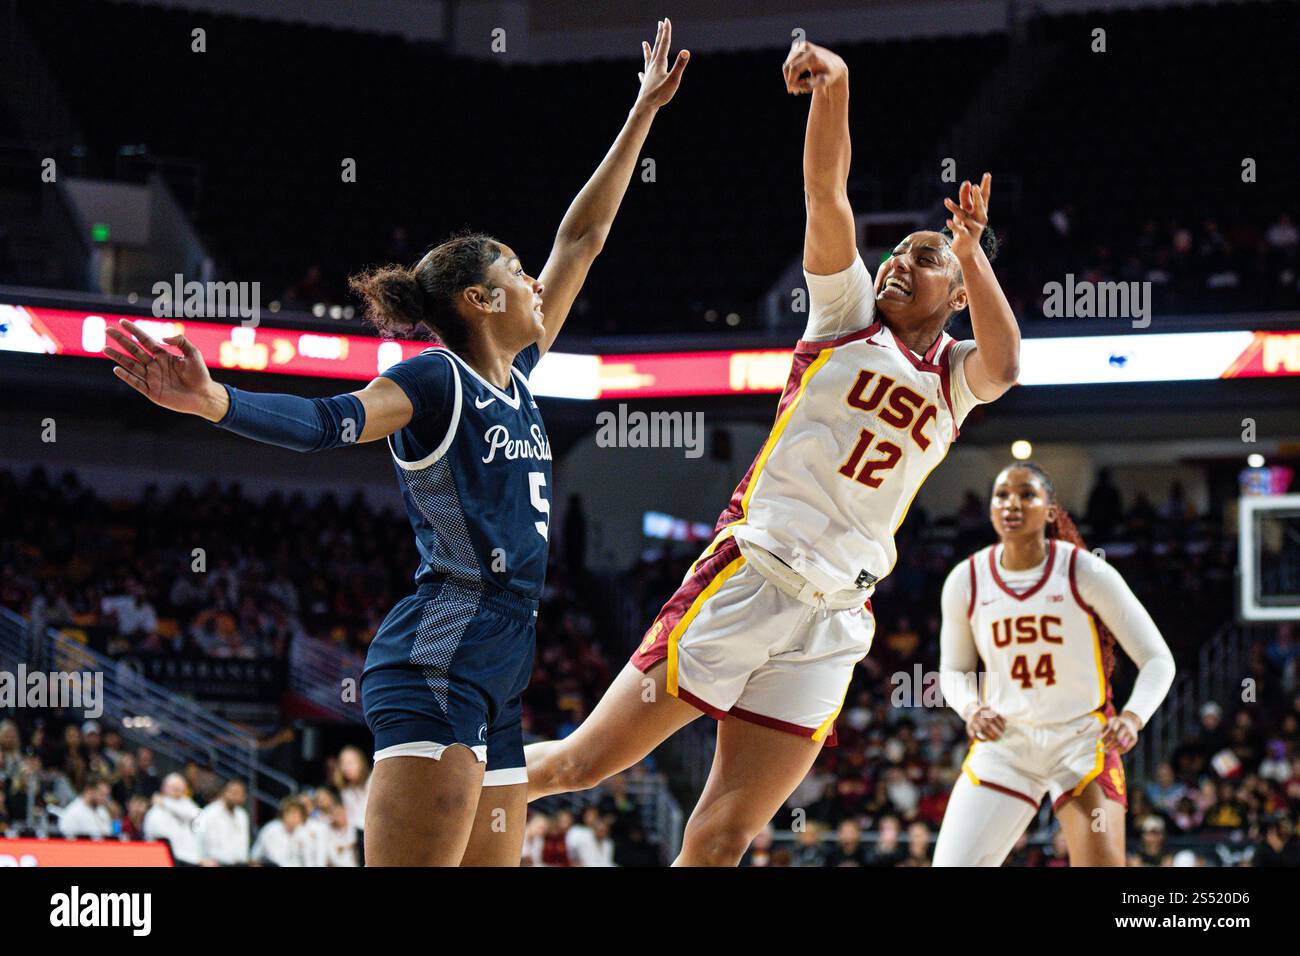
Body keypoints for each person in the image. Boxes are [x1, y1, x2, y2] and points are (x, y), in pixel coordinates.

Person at [102, 19, 689, 866]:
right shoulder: (433, 380)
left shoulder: (516, 371)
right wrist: (213, 400)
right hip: (438, 654)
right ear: (481, 302)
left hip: (504, 664)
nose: (536, 281)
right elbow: (322, 423)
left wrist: (642, 112)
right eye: (516, 273)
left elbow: (583, 240)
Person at [523, 38, 1021, 866]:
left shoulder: (956, 376)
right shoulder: (846, 314)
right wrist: (838, 87)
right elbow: (825, 192)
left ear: (962, 290)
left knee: (722, 834)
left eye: (923, 258)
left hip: (833, 620)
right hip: (750, 573)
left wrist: (968, 248)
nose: (898, 263)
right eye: (896, 253)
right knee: (581, 763)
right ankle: (441, 812)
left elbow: (1008, 365)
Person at [933, 462, 1177, 866]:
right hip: (1007, 743)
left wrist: (1133, 717)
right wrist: (970, 707)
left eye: (1026, 494)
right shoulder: (966, 579)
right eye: (1001, 495)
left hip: (1082, 741)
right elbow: (955, 670)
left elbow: (1157, 658)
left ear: (1050, 510)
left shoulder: (1085, 570)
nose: (1012, 503)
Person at [196, 779, 251, 865]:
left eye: (240, 794)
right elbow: (203, 843)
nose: (236, 797)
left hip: (238, 864)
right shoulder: (210, 813)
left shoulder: (242, 815)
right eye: (233, 792)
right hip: (213, 863)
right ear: (224, 792)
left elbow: (243, 846)